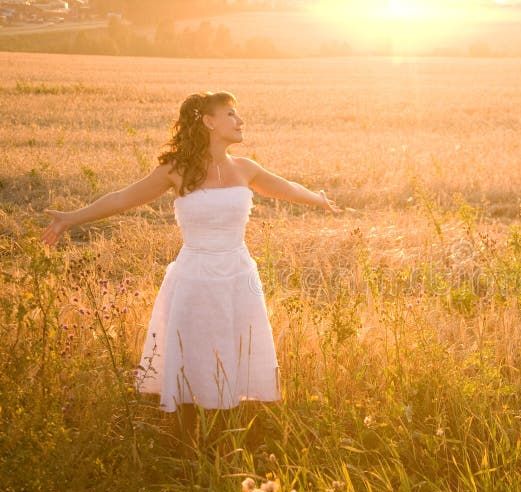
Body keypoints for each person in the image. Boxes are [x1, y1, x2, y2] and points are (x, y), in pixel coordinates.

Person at [41, 90, 343, 451]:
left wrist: (318, 198)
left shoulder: (245, 168)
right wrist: (72, 219)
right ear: (209, 122)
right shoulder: (177, 170)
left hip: (238, 277)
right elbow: (123, 198)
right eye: (231, 114)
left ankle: (227, 447)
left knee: (234, 353)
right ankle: (185, 449)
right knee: (191, 356)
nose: (239, 121)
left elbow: (285, 188)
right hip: (193, 279)